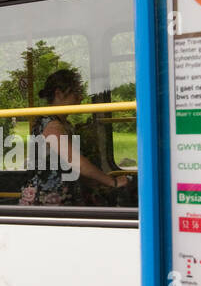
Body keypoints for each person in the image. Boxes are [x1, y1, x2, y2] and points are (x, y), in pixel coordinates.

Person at [20, 68, 129, 205]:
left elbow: (69, 167)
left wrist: (96, 183)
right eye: (76, 93)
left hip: (63, 197)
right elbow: (75, 161)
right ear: (59, 94)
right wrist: (112, 181)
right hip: (47, 201)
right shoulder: (51, 125)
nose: (81, 98)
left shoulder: (64, 124)